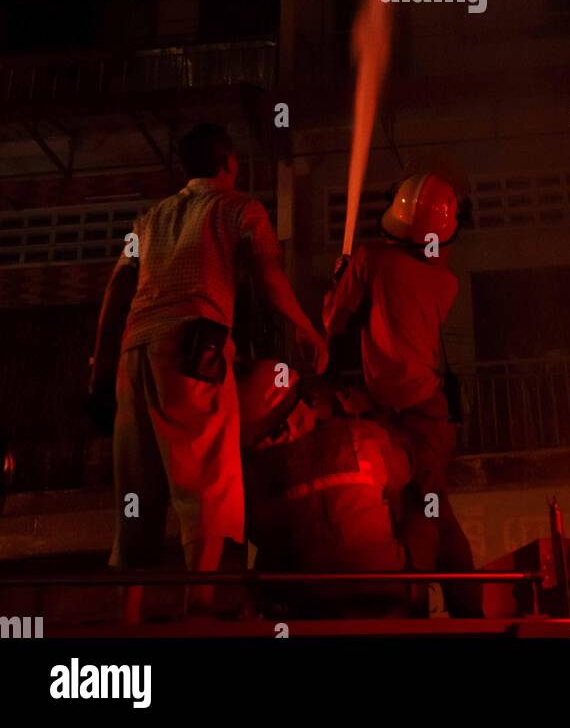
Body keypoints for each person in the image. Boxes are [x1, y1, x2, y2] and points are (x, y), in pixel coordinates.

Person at [89, 122, 327, 621]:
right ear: (229, 164)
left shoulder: (147, 220)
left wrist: (100, 366)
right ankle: (197, 606)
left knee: (137, 487)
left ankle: (124, 614)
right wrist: (307, 328)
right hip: (193, 348)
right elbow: (269, 275)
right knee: (209, 481)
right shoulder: (240, 207)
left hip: (134, 351)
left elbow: (115, 292)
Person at [322, 171, 482, 618]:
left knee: (419, 513)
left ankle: (413, 611)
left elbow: (333, 323)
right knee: (432, 507)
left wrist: (339, 281)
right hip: (429, 413)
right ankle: (465, 612)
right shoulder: (444, 283)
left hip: (392, 414)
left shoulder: (371, 259)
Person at [239, 362, 414, 619]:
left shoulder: (256, 476)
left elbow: (258, 532)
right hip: (382, 600)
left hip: (300, 609)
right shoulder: (360, 434)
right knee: (426, 518)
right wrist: (374, 417)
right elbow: (405, 470)